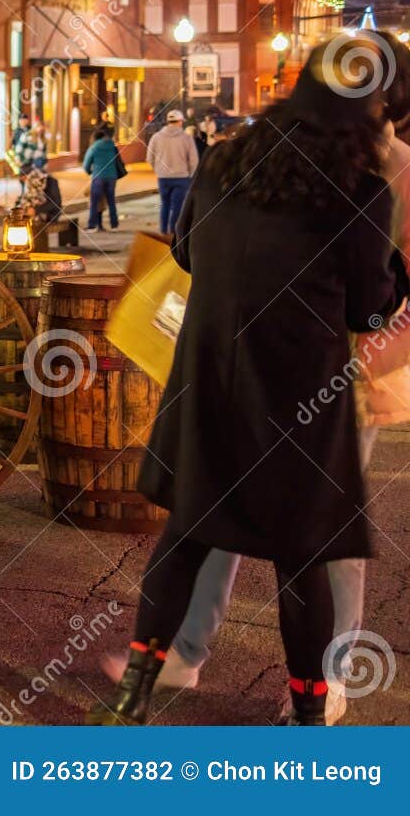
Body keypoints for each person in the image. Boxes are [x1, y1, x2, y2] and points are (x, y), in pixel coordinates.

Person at [87, 47, 408, 727]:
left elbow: (188, 252)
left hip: (208, 382)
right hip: (300, 399)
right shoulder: (361, 192)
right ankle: (310, 715)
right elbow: (366, 311)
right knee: (303, 558)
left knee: (187, 535)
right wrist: (395, 275)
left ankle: (130, 700)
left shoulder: (229, 160)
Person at [146, 108, 198, 235]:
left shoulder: (156, 137)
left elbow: (149, 158)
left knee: (165, 204)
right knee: (178, 206)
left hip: (163, 177)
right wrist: (190, 174)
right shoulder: (186, 138)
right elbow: (194, 160)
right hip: (181, 177)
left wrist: (158, 170)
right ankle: (173, 231)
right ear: (180, 122)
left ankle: (163, 231)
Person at [81, 126, 124, 231]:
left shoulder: (94, 147)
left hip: (98, 177)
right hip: (112, 177)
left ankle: (92, 225)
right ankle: (114, 225)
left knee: (94, 202)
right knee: (111, 201)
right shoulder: (112, 146)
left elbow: (86, 164)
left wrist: (90, 172)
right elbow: (118, 161)